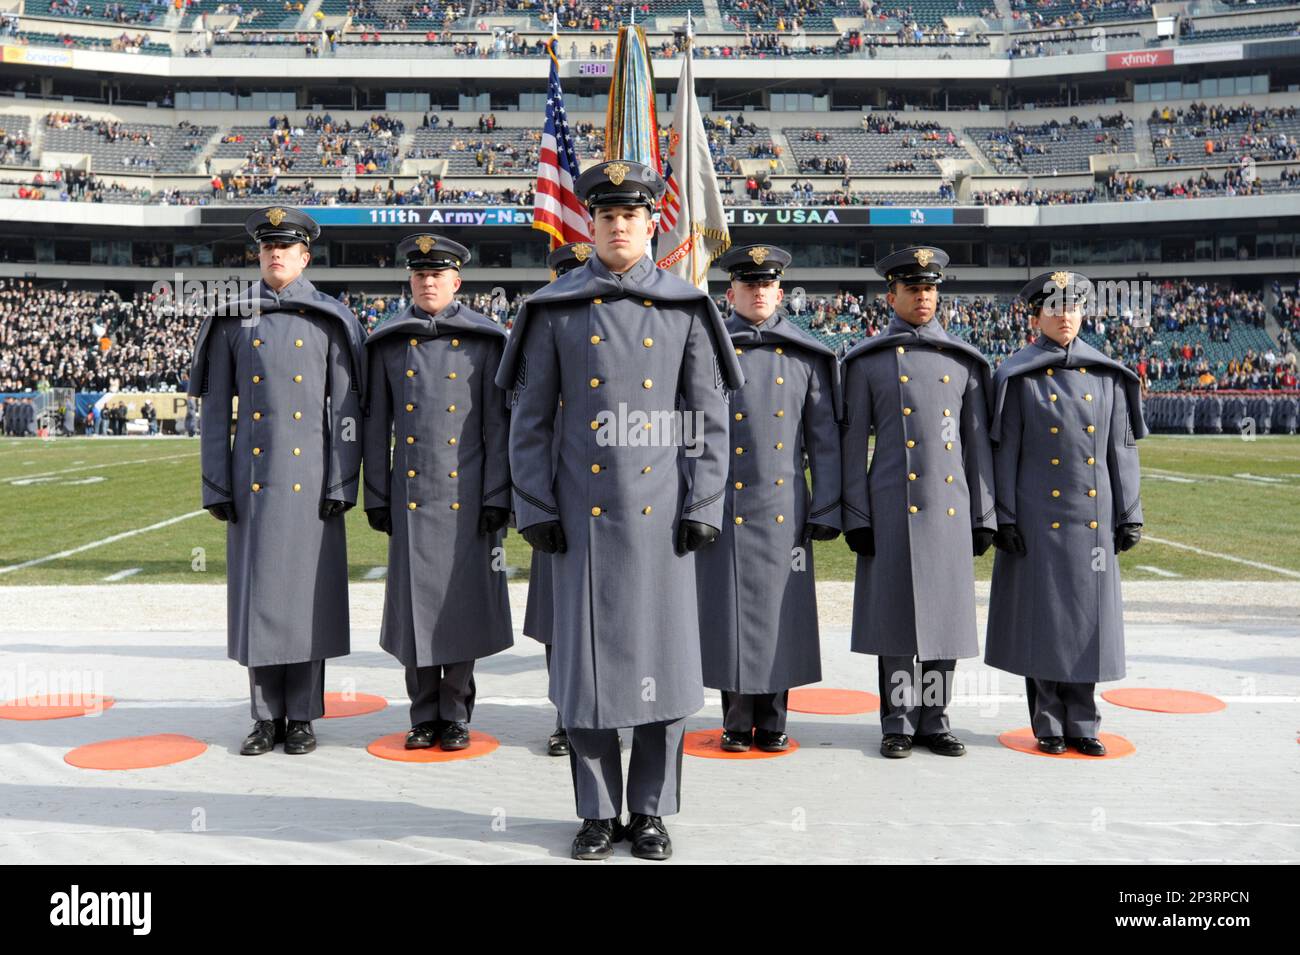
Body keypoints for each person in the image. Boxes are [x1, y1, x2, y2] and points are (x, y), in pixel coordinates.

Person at [496, 159, 743, 861]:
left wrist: (703, 500)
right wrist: (535, 502)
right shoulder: (556, 307)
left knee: (664, 670)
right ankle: (598, 811)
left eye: (631, 215)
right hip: (583, 518)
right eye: (606, 216)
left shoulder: (684, 305)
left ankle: (651, 810)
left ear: (651, 222)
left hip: (662, 519)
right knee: (587, 674)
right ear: (592, 223)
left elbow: (708, 415)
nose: (619, 225)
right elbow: (531, 419)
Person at [187, 206, 365, 757]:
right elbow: (217, 411)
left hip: (311, 483)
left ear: (305, 257)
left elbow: (348, 410)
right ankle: (265, 717)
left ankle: (305, 715)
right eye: (267, 248)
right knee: (259, 598)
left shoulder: (330, 319)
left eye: (285, 248)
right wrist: (216, 484)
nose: (275, 255)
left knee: (308, 601)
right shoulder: (232, 319)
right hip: (254, 481)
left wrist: (341, 483)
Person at [840, 245, 996, 759]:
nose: (923, 296)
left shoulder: (965, 362)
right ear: (892, 296)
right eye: (913, 288)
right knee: (896, 620)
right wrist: (856, 515)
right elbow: (850, 445)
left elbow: (977, 449)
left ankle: (936, 719)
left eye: (930, 288)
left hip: (948, 506)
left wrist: (984, 516)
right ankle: (898, 721)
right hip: (891, 507)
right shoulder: (867, 363)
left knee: (944, 619)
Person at [985, 269, 1146, 756]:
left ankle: (1085, 723)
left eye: (1072, 308)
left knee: (1088, 624)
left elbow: (1122, 450)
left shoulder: (1109, 375)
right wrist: (1005, 518)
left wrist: (1130, 512)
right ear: (1037, 316)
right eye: (1053, 308)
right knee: (1045, 622)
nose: (1064, 317)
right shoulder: (1016, 375)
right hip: (1038, 521)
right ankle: (1048, 723)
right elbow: (1004, 452)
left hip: (1092, 524)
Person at [362, 233, 513, 752]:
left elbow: (498, 427)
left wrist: (498, 497)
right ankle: (422, 713)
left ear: (457, 281)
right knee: (415, 612)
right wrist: (376, 496)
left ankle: (455, 713)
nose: (428, 282)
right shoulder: (387, 340)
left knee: (462, 608)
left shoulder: (487, 340)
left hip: (468, 500)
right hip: (411, 499)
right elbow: (375, 426)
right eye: (420, 274)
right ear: (410, 280)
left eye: (438, 274)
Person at [697, 243, 842, 753]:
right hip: (723, 506)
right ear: (730, 291)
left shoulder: (805, 355)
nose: (758, 292)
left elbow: (823, 440)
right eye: (748, 285)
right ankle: (736, 720)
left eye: (767, 285)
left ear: (780, 292)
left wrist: (827, 506)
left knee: (780, 614)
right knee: (728, 613)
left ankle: (774, 718)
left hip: (785, 511)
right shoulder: (708, 348)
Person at [520, 241, 597, 758]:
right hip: (557, 499)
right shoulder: (541, 336)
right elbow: (520, 423)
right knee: (558, 620)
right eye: (566, 274)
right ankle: (567, 715)